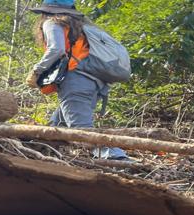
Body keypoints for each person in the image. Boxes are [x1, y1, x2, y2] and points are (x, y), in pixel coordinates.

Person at [27, 0, 130, 161]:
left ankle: (119, 159)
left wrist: (36, 71)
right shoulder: (78, 26)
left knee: (82, 130)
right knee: (58, 125)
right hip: (93, 82)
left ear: (46, 10)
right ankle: (41, 155)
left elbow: (57, 49)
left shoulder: (51, 22)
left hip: (75, 81)